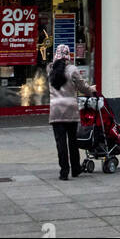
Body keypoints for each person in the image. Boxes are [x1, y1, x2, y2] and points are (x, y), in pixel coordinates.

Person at [48, 43, 96, 179]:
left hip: (56, 111)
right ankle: (75, 168)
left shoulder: (50, 69)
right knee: (72, 141)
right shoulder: (72, 69)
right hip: (70, 110)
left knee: (60, 143)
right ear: (68, 54)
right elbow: (83, 87)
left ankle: (64, 171)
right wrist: (91, 89)